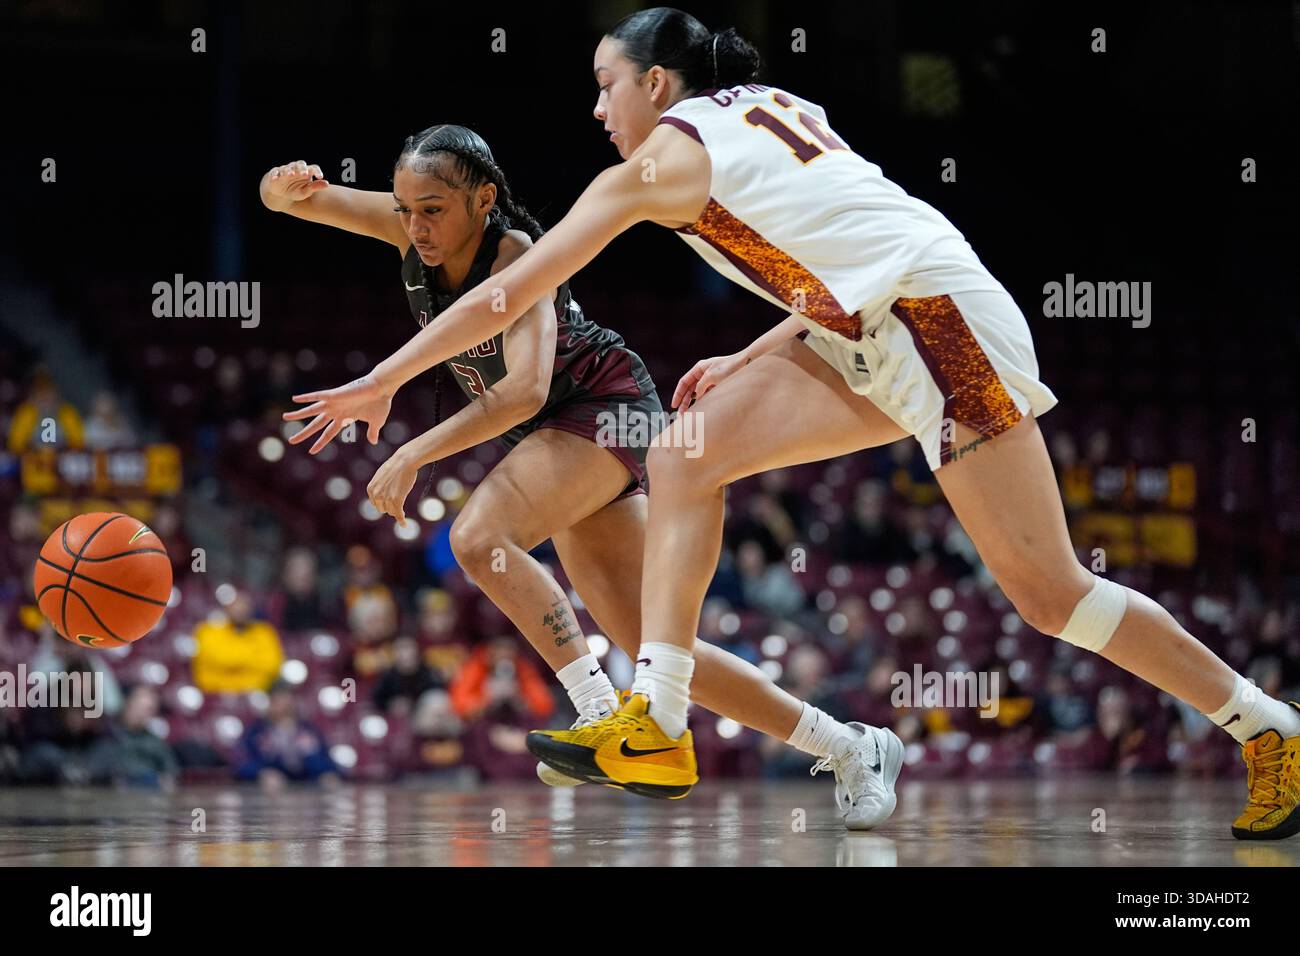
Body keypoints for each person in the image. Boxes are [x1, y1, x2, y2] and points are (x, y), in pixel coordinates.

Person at [281, 8, 1300, 838]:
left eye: (607, 82)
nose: (595, 105)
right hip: (864, 315)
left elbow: (506, 298)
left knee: (1048, 594)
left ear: (657, 83)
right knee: (685, 450)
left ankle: (1265, 724)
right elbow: (851, 233)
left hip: (935, 323)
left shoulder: (657, 165)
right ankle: (659, 722)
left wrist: (381, 381)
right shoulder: (767, 104)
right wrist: (757, 348)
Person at [269, 123, 895, 825]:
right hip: (555, 434)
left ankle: (601, 715)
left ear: (484, 199)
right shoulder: (410, 228)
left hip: (604, 407)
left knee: (480, 537)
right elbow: (294, 204)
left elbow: (523, 394)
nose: (415, 224)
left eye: (433, 209)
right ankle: (849, 745)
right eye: (406, 207)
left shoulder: (518, 256)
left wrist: (415, 450)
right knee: (654, 645)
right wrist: (285, 184)